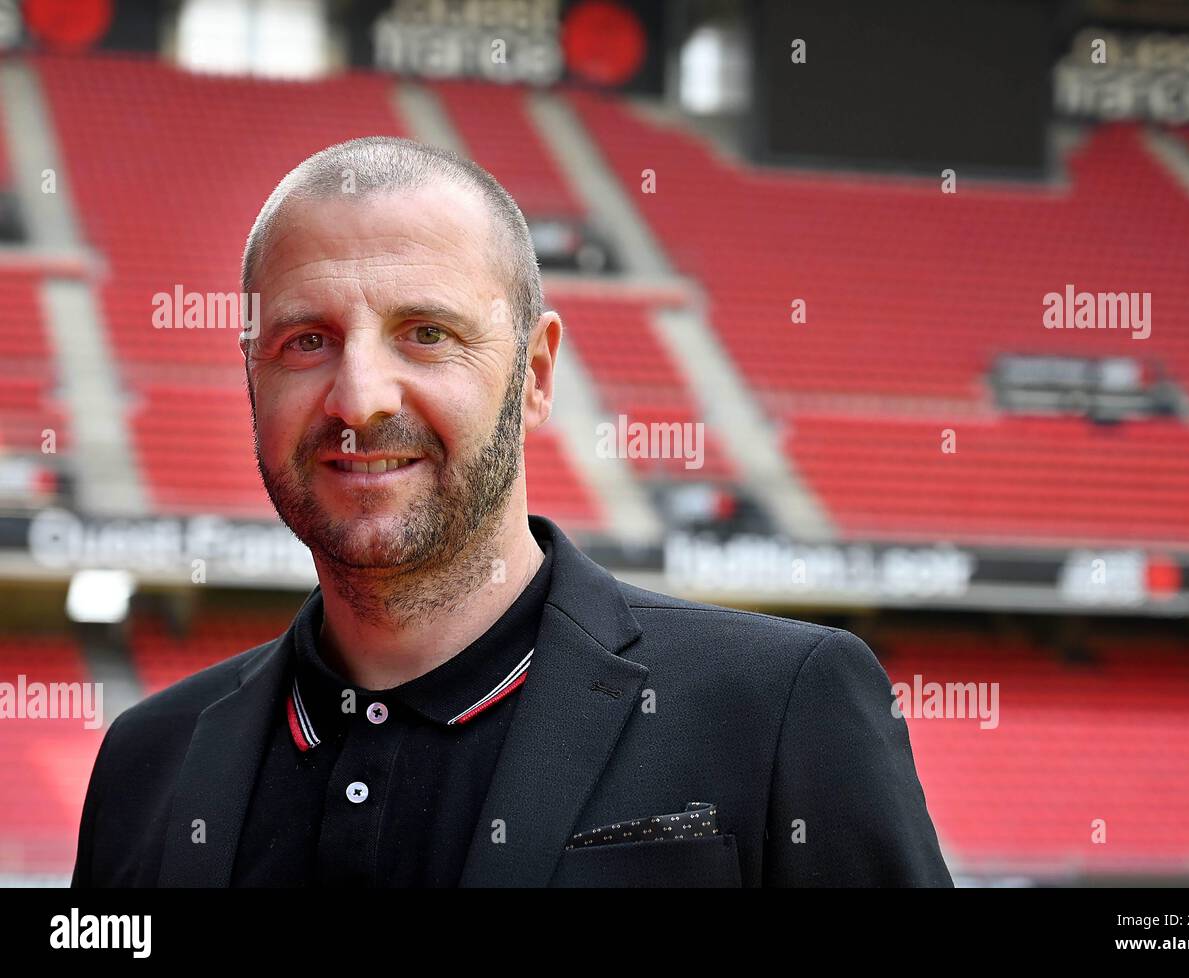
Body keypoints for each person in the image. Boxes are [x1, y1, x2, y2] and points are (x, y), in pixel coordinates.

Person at [71, 137, 952, 887]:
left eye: (427, 333)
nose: (359, 399)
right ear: (251, 377)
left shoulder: (781, 707)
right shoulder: (147, 763)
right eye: (307, 341)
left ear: (533, 375)